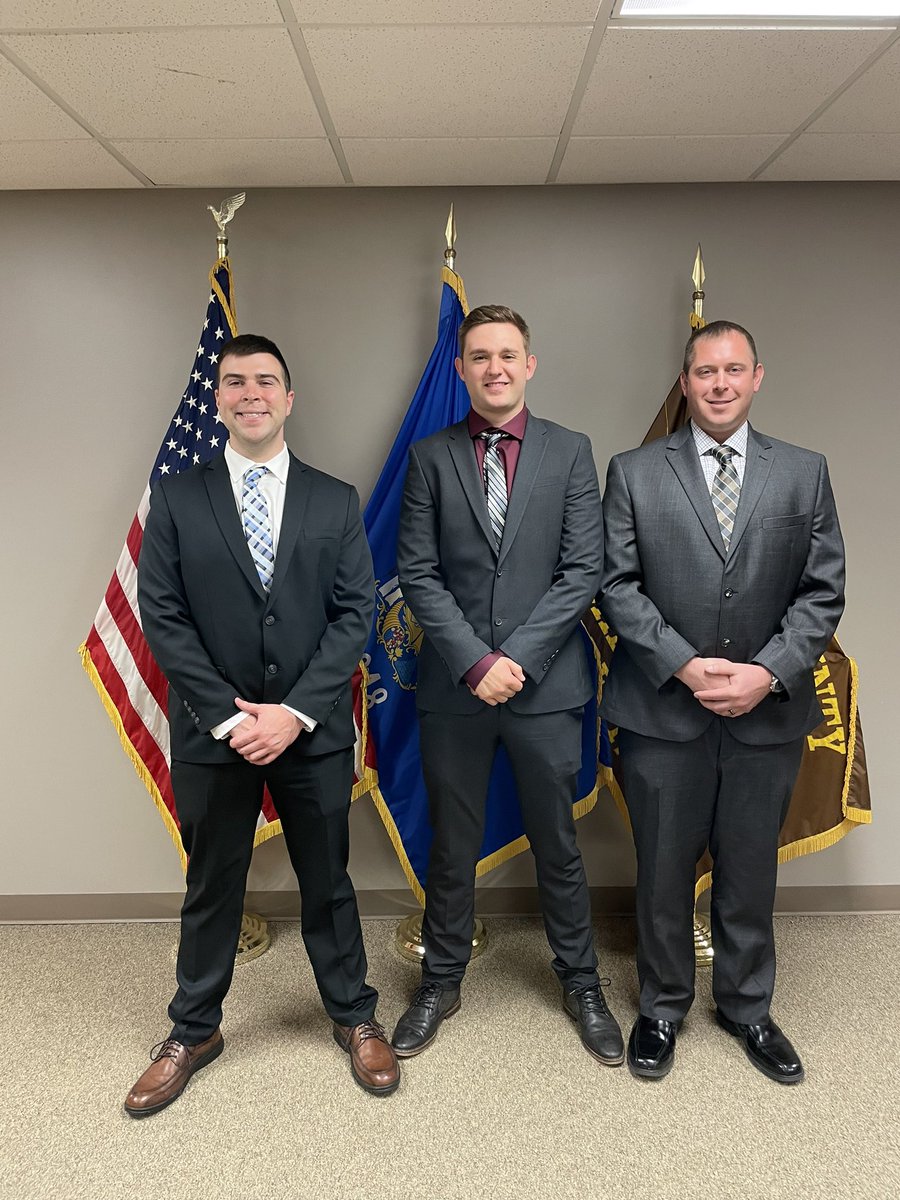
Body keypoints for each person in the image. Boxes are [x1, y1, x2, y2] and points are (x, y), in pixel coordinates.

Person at [128, 334, 399, 1116]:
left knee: (328, 881)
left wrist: (293, 713)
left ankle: (353, 1014)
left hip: (309, 731)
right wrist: (227, 717)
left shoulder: (333, 499)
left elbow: (353, 612)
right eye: (236, 381)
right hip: (213, 735)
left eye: (266, 381)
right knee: (212, 883)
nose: (251, 393)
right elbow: (163, 616)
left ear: (289, 398)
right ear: (218, 399)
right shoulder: (178, 497)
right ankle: (193, 1030)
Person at [600, 320, 845, 1084]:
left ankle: (747, 1007)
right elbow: (617, 586)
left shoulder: (803, 472)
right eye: (705, 371)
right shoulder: (634, 471)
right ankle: (662, 1006)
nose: (719, 384)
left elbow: (822, 592)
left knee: (749, 871)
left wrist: (766, 673)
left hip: (766, 715)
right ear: (685, 382)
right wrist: (683, 664)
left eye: (734, 369)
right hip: (662, 714)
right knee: (662, 871)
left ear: (757, 377)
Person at [392, 305, 623, 1066]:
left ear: (530, 364)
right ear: (461, 369)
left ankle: (581, 983)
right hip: (455, 691)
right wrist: (476, 662)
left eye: (508, 354)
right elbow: (418, 573)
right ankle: (441, 980)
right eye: (480, 356)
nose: (495, 367)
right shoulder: (430, 457)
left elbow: (582, 570)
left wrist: (515, 656)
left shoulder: (570, 451)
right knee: (450, 845)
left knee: (559, 844)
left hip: (546, 687)